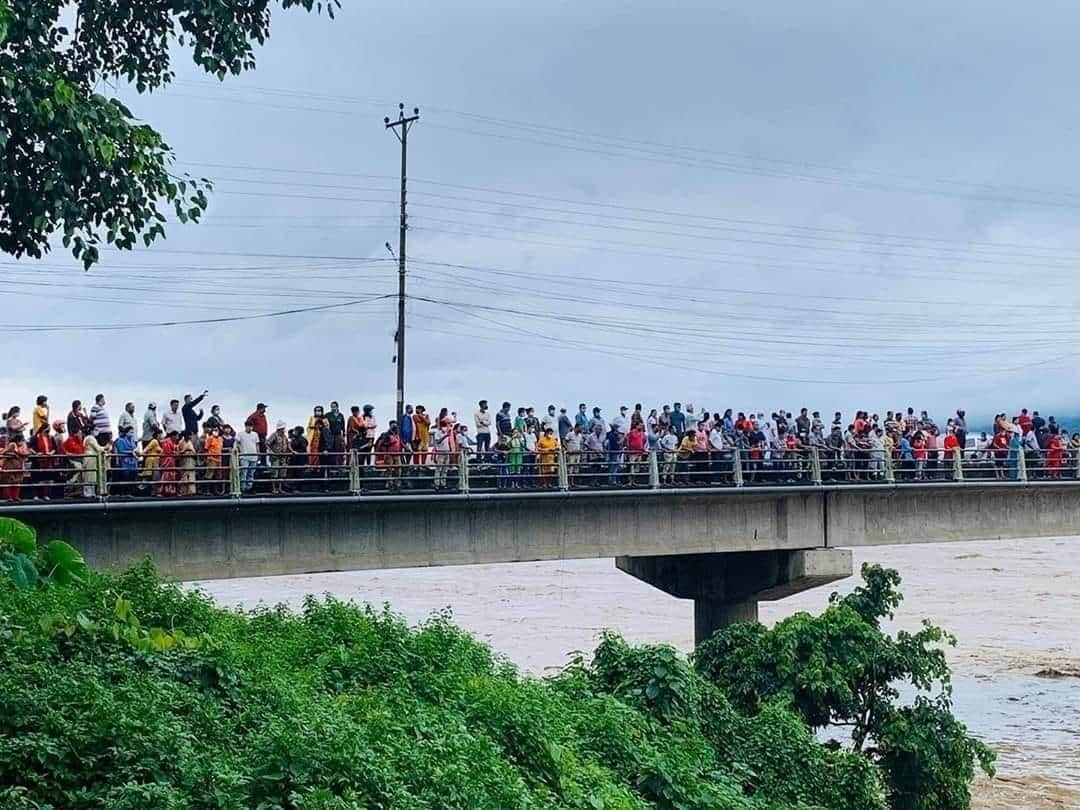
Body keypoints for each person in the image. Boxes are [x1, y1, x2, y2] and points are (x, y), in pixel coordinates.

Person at [29, 422, 59, 500]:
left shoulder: (51, 437)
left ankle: (46, 495)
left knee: (47, 479)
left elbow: (55, 448)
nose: (48, 431)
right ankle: (35, 495)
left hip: (48, 461)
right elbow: (30, 448)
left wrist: (51, 453)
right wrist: (36, 453)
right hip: (37, 461)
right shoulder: (35, 437)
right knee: (36, 479)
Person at [1, 431, 30, 501]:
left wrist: (17, 453)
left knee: (17, 482)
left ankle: (16, 496)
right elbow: (4, 452)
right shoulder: (12, 445)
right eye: (21, 440)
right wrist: (14, 454)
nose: (22, 442)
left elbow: (26, 453)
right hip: (10, 465)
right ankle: (9, 497)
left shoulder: (22, 446)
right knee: (9, 482)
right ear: (18, 440)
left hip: (18, 466)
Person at [113, 427, 140, 496]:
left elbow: (135, 448)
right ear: (126, 432)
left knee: (132, 477)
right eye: (131, 432)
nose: (132, 434)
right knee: (125, 477)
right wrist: (131, 452)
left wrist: (136, 451)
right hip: (125, 462)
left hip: (133, 462)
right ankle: (123, 493)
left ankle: (130, 492)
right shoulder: (120, 440)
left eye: (132, 432)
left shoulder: (132, 440)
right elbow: (121, 450)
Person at [235, 421, 260, 494]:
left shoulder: (255, 434)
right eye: (248, 426)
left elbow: (257, 445)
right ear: (245, 426)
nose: (250, 428)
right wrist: (239, 450)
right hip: (244, 457)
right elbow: (236, 443)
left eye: (251, 426)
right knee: (244, 472)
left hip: (253, 457)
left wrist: (258, 454)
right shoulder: (240, 434)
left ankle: (249, 487)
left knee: (251, 473)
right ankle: (243, 488)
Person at [267, 421, 290, 494]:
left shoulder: (284, 436)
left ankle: (280, 488)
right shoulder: (274, 435)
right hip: (275, 457)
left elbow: (288, 444)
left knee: (282, 473)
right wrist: (271, 451)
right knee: (275, 473)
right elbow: (267, 443)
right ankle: (274, 489)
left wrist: (291, 451)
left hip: (283, 457)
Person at [431, 421, 453, 490]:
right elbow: (438, 441)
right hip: (440, 452)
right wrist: (445, 436)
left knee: (445, 469)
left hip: (447, 451)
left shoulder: (446, 432)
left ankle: (443, 484)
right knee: (439, 469)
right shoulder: (437, 433)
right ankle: (436, 484)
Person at [140, 427, 162, 493]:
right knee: (149, 476)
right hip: (151, 461)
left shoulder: (158, 442)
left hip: (156, 461)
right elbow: (147, 448)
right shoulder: (154, 441)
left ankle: (154, 491)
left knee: (155, 477)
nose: (161, 436)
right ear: (158, 435)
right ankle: (144, 490)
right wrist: (141, 454)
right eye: (161, 434)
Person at [204, 426, 224, 495]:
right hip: (211, 458)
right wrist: (206, 458)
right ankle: (207, 491)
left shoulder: (221, 439)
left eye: (217, 430)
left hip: (219, 459)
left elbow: (221, 448)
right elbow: (206, 448)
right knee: (209, 474)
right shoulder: (210, 438)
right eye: (214, 430)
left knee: (218, 475)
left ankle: (216, 490)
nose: (216, 431)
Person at [176, 431, 197, 496]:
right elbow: (179, 452)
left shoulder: (190, 442)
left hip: (191, 459)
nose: (190, 437)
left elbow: (193, 451)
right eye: (189, 435)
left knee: (191, 475)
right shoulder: (181, 442)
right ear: (185, 436)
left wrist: (192, 452)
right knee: (184, 476)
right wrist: (186, 450)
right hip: (184, 460)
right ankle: (182, 491)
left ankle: (191, 491)